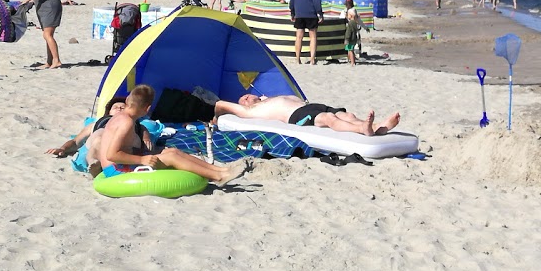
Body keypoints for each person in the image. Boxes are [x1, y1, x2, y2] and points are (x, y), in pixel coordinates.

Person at [88, 85, 243, 183]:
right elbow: (112, 155)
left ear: (128, 101)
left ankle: (220, 170)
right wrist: (142, 159)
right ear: (147, 109)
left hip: (120, 164)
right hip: (115, 170)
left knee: (172, 151)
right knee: (171, 157)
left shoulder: (121, 117)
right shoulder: (126, 122)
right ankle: (218, 177)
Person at [214, 92, 400, 136]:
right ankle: (363, 128)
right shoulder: (250, 111)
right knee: (328, 119)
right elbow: (221, 104)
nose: (245, 99)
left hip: (310, 105)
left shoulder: (267, 98)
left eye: (246, 95)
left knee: (347, 115)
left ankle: (378, 128)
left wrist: (267, 97)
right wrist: (215, 116)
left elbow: (295, 96)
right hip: (297, 116)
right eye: (242, 100)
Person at [23, 0, 63, 69]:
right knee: (47, 35)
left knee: (47, 35)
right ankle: (49, 62)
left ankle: (56, 60)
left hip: (50, 9)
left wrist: (26, 1)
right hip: (46, 10)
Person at [290, 0, 324, 65]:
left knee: (299, 37)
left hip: (299, 13)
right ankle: (312, 59)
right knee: (313, 37)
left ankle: (297, 59)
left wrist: (292, 12)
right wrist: (320, 13)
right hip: (311, 13)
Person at [343, 1, 362, 67]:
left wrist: (346, 39)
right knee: (351, 50)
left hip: (350, 38)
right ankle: (351, 60)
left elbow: (348, 32)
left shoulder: (350, 23)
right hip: (354, 38)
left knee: (350, 50)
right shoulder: (356, 23)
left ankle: (352, 62)